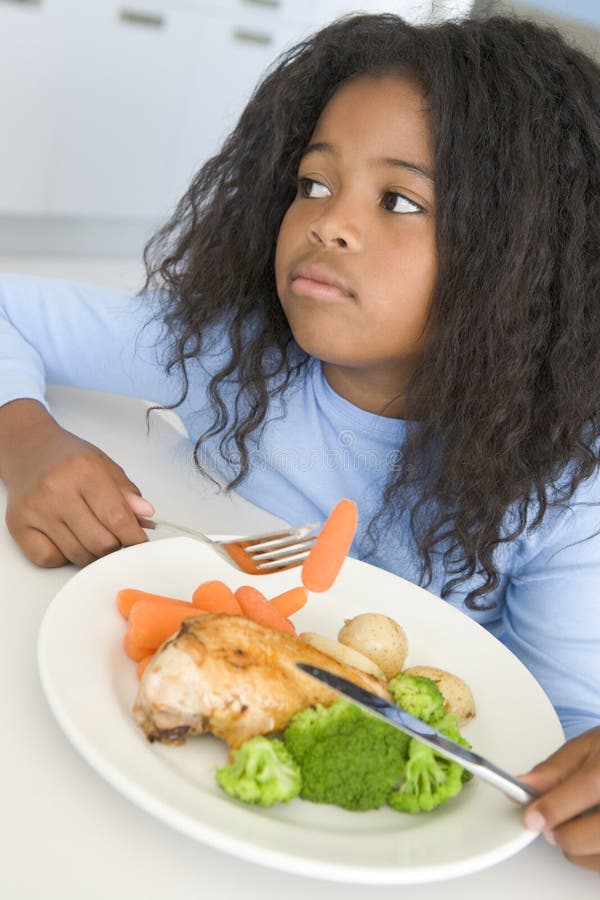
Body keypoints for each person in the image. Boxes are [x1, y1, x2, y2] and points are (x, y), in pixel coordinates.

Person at [0, 12, 599, 870]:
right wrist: (26, 442)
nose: (329, 222)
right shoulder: (227, 355)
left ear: (520, 257)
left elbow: (568, 727)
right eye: (314, 183)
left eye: (399, 200)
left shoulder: (566, 485)